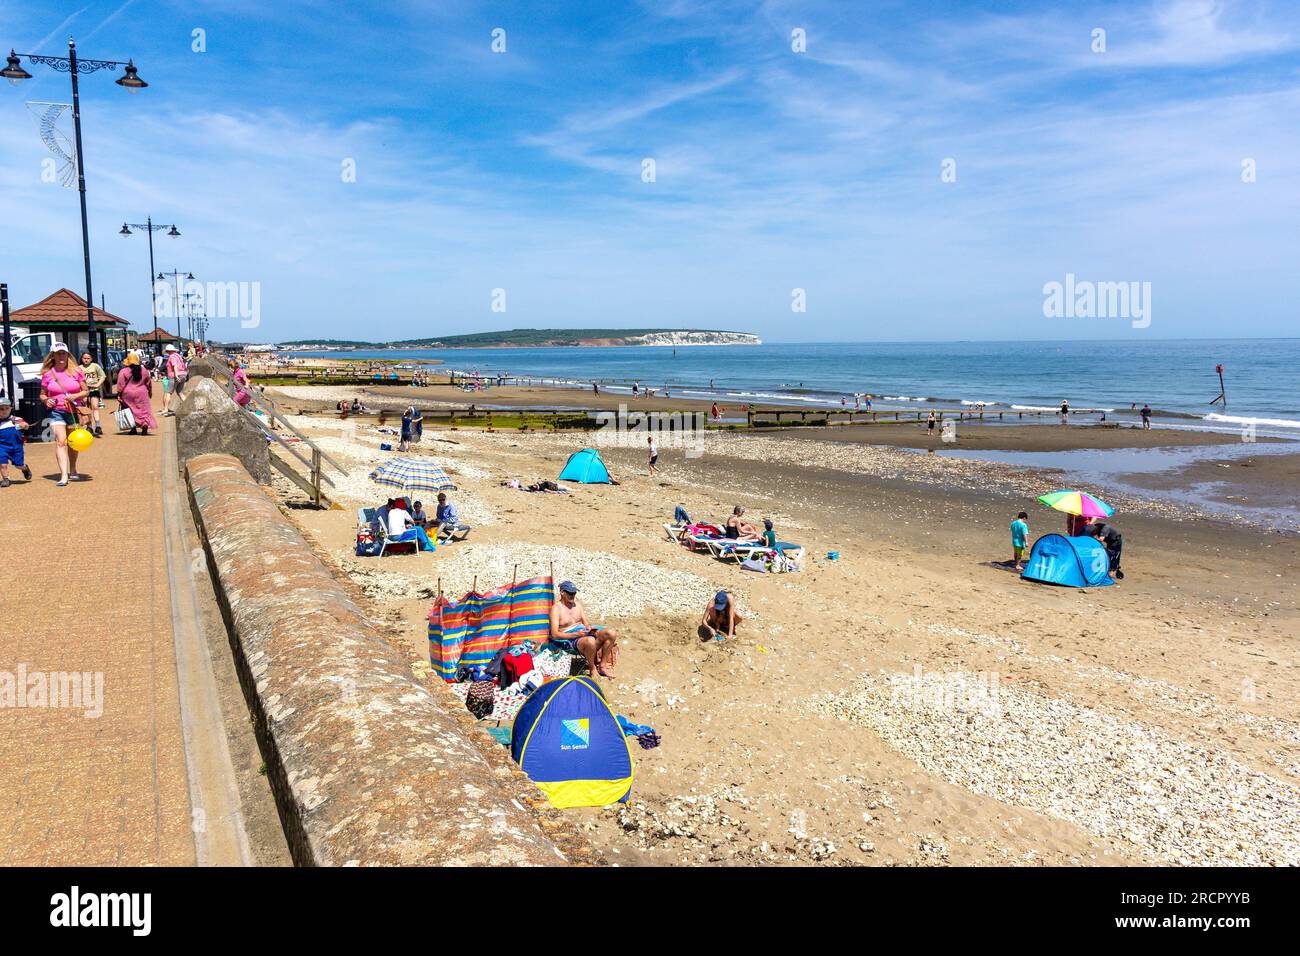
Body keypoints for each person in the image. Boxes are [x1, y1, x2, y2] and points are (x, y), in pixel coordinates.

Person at [40, 343, 89, 486]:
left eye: (63, 353)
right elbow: (42, 394)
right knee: (61, 441)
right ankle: (63, 475)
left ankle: (73, 469)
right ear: (52, 356)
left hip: (74, 411)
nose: (61, 356)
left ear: (68, 355)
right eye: (58, 353)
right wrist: (46, 400)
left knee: (73, 442)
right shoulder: (47, 374)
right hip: (56, 411)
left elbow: (86, 391)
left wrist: (75, 396)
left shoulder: (76, 371)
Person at [548, 580, 618, 677]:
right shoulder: (556, 609)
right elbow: (555, 634)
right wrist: (576, 634)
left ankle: (602, 667)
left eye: (574, 593)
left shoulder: (577, 604)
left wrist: (590, 629)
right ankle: (592, 668)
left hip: (582, 633)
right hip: (567, 639)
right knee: (590, 641)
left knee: (611, 633)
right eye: (570, 593)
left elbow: (585, 622)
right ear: (562, 592)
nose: (573, 595)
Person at [115, 352, 157, 435]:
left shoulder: (123, 371)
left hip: (127, 393)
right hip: (142, 392)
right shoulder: (144, 370)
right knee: (144, 409)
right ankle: (144, 424)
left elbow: (120, 384)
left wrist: (119, 394)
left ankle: (133, 428)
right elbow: (148, 382)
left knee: (130, 410)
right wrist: (150, 392)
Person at [0, 395, 32, 487]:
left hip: (16, 447)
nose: (4, 411)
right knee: (2, 464)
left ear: (11, 408)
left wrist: (24, 425)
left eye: (7, 408)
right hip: (2, 447)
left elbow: (26, 426)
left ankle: (25, 468)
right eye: (1, 409)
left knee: (18, 465)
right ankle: (6, 479)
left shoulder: (15, 419)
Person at [79, 352, 106, 437]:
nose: (86, 360)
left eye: (88, 358)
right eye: (84, 358)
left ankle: (98, 426)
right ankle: (89, 426)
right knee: (87, 408)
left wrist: (98, 384)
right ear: (81, 359)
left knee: (95, 406)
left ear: (91, 359)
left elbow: (102, 376)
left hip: (94, 389)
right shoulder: (79, 368)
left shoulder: (95, 366)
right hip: (84, 391)